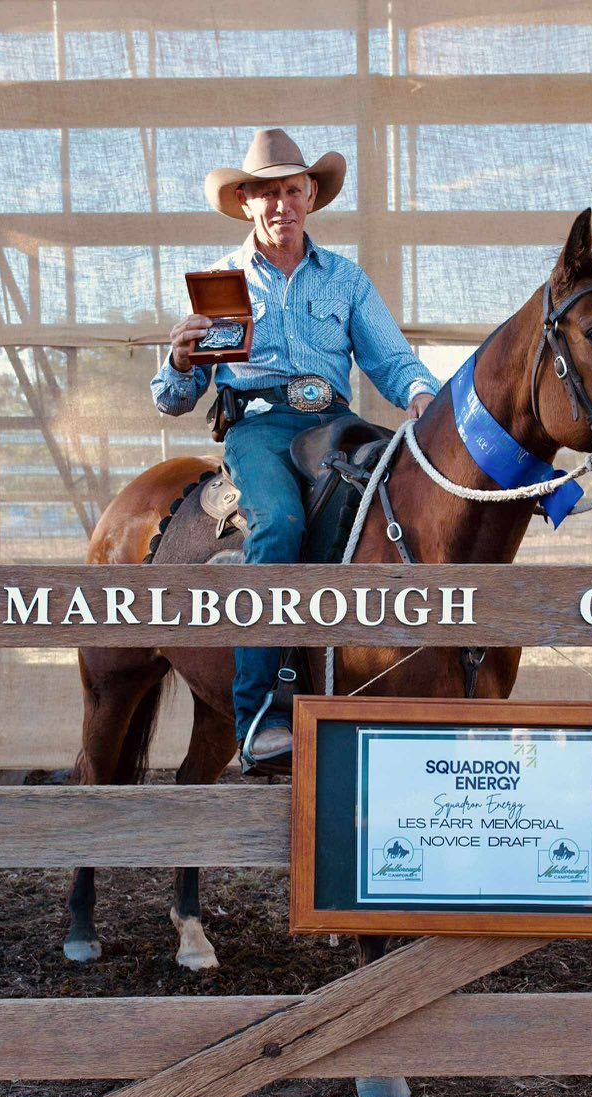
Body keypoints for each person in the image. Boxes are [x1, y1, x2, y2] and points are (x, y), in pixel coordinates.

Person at [152, 127, 441, 769]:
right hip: (257, 425)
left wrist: (422, 394)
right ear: (247, 202)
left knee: (395, 519)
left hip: (335, 426)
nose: (281, 204)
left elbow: (390, 359)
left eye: (291, 190)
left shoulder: (345, 280)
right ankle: (260, 715)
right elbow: (173, 398)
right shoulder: (220, 284)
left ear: (311, 195)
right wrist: (178, 357)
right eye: (266, 194)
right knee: (279, 522)